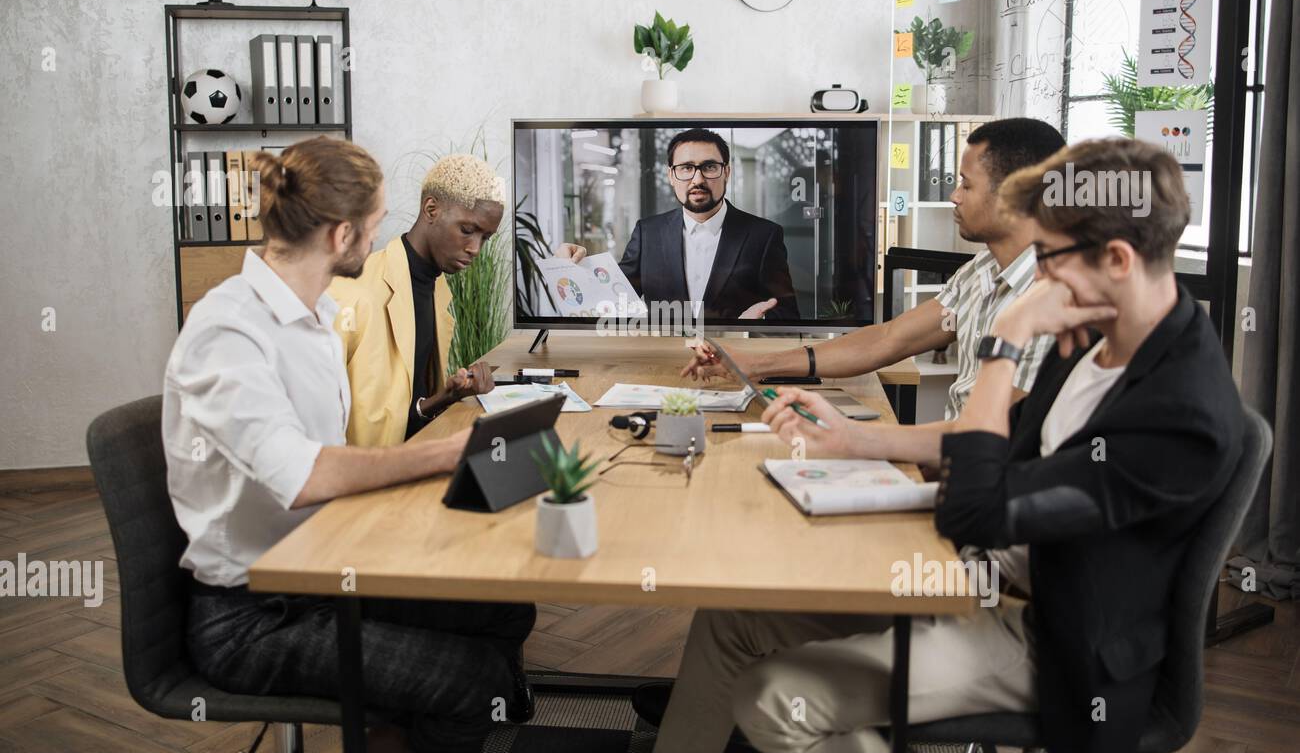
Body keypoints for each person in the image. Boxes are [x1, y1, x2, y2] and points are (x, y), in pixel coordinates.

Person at [652, 137, 1243, 753]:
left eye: (1051, 254)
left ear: (1118, 261)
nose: (1038, 273)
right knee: (731, 624)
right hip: (980, 571)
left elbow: (978, 508)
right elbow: (1005, 453)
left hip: (1055, 638)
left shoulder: (1179, 409)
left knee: (773, 697)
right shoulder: (1103, 336)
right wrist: (851, 440)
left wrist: (1007, 340)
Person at [163, 137, 535, 753]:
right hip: (255, 616)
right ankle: (424, 715)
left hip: (325, 567)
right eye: (375, 224)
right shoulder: (228, 329)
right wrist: (449, 453)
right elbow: (303, 475)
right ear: (341, 236)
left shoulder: (309, 318)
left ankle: (405, 727)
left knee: (504, 608)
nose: (380, 239)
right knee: (470, 680)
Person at [681, 118, 1067, 421]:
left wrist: (849, 437)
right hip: (957, 465)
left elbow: (996, 440)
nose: (953, 195)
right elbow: (889, 340)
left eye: (966, 185)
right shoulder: (981, 270)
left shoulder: (1057, 303)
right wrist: (757, 363)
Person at [329, 154, 503, 447]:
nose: (475, 249)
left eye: (485, 238)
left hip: (418, 456)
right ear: (431, 209)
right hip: (368, 479)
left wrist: (447, 396)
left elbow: (409, 414)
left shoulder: (437, 289)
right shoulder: (352, 291)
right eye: (467, 230)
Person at [557, 127, 799, 322]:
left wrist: (752, 325)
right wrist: (570, 268)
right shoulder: (647, 233)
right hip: (662, 362)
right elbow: (612, 299)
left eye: (709, 167)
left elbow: (787, 314)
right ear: (671, 176)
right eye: (686, 168)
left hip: (734, 361)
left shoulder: (764, 235)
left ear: (727, 172)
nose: (698, 179)